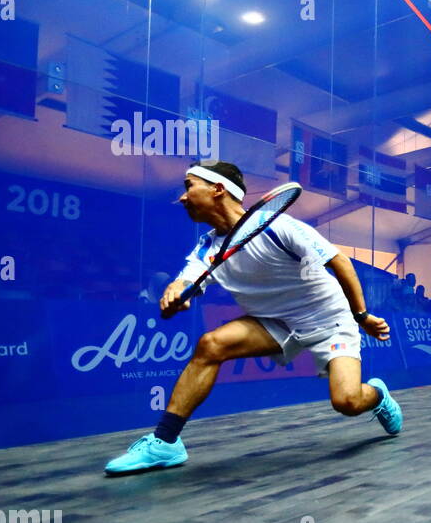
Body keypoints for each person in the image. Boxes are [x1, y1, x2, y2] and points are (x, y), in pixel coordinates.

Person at [102, 162, 402, 474]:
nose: (182, 197)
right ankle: (165, 442)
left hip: (330, 320)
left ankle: (378, 395)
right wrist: (174, 293)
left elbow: (340, 262)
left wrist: (362, 315)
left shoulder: (278, 226)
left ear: (218, 189)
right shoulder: (207, 248)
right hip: (274, 323)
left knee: (347, 402)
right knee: (212, 345)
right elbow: (186, 280)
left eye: (189, 186)